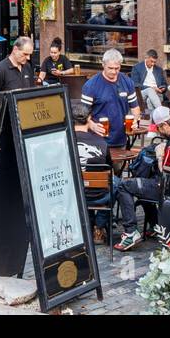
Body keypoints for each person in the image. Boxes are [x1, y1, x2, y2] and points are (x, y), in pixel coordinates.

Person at [115, 106, 170, 251]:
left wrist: (160, 154)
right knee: (143, 181)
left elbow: (165, 171)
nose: (159, 132)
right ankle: (155, 226)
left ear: (164, 125)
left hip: (166, 188)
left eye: (159, 128)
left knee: (124, 185)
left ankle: (130, 232)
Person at [71, 100, 112, 243]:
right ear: (89, 119)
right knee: (117, 185)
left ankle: (87, 226)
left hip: (73, 195)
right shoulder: (101, 143)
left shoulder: (63, 141)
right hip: (98, 195)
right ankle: (99, 227)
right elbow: (108, 168)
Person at [81, 48, 138, 150]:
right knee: (102, 166)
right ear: (103, 65)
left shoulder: (127, 82)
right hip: (97, 140)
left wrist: (135, 121)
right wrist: (92, 125)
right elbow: (82, 114)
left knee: (119, 165)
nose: (114, 71)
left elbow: (135, 108)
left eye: (117, 68)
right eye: (110, 68)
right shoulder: (91, 85)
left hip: (120, 138)